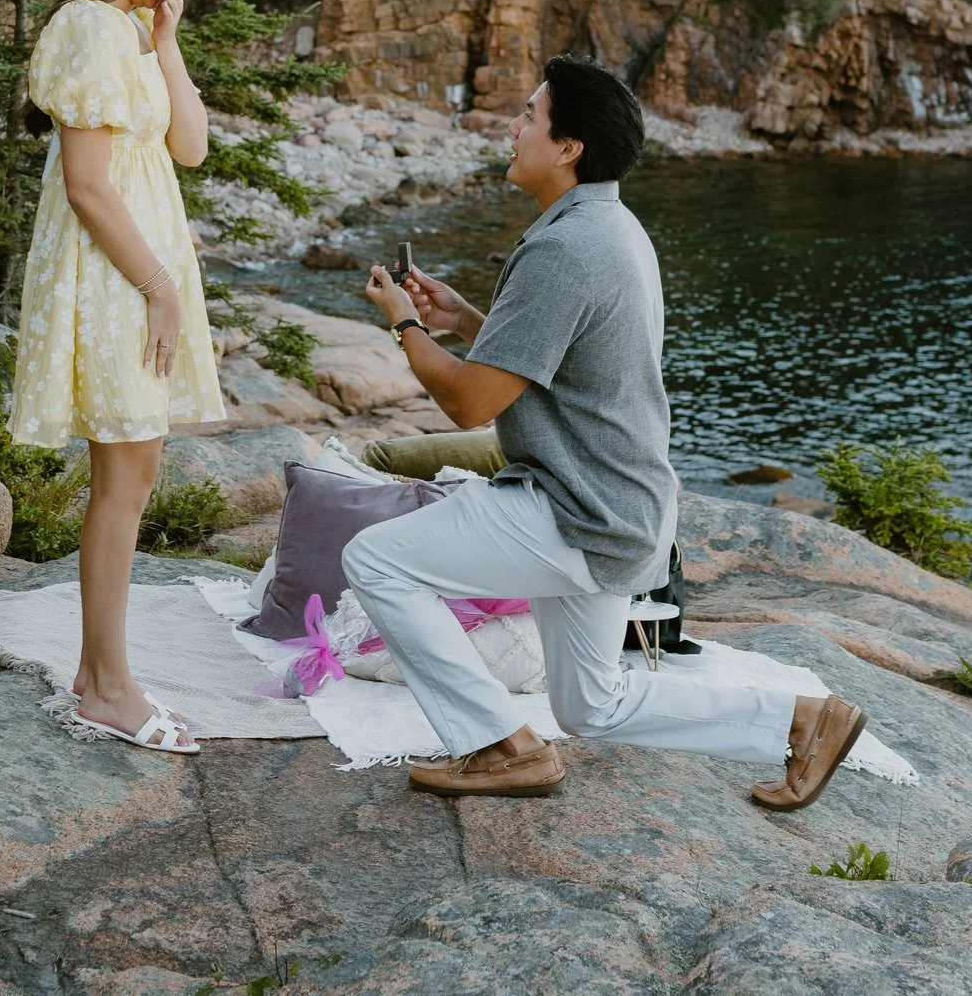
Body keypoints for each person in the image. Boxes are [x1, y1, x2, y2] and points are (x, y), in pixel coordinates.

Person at [346, 56, 865, 804]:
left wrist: (406, 322)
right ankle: (805, 720)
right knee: (591, 704)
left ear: (568, 147)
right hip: (624, 506)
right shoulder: (608, 225)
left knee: (378, 562)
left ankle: (496, 743)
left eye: (530, 114)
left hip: (576, 509)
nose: (513, 125)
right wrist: (465, 320)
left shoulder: (564, 248)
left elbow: (469, 405)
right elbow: (560, 363)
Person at [9, 0, 227, 754]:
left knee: (132, 478)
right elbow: (89, 187)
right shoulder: (88, 29)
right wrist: (161, 288)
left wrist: (167, 39)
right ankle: (106, 681)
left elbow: (192, 146)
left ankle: (102, 670)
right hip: (118, 270)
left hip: (141, 261)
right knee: (123, 480)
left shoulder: (133, 27)